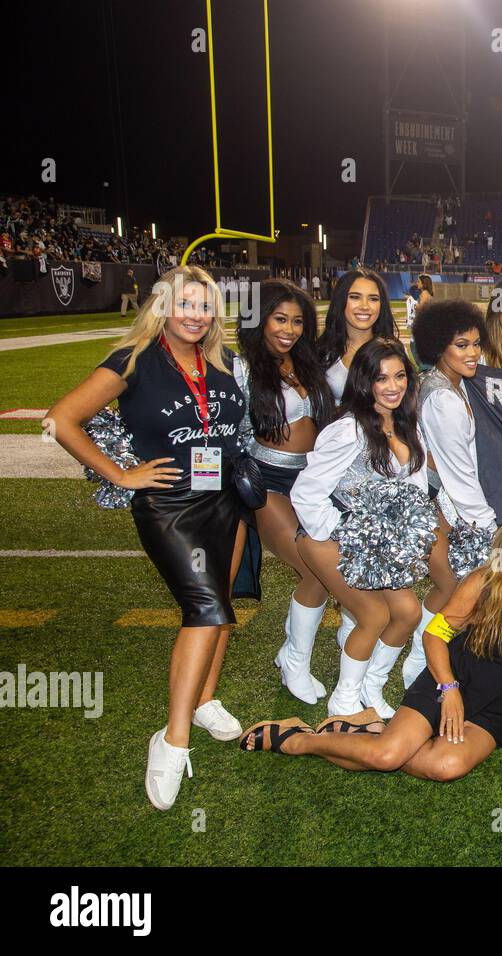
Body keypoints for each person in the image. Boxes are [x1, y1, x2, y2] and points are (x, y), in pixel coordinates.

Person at [46, 266, 249, 810]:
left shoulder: (222, 362)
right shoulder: (132, 361)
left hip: (225, 500)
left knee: (222, 607)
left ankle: (205, 701)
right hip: (170, 506)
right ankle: (172, 737)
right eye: (184, 303)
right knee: (204, 608)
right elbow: (61, 419)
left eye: (204, 306)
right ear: (162, 307)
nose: (195, 314)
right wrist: (119, 473)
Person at [240, 491, 502, 779]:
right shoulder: (485, 580)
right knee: (387, 756)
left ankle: (368, 730)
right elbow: (435, 634)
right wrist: (450, 689)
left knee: (445, 766)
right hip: (458, 678)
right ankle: (300, 739)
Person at [291, 338, 428, 718]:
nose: (393, 386)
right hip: (329, 536)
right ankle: (345, 696)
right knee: (373, 615)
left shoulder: (406, 425)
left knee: (408, 613)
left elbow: (412, 493)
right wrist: (349, 530)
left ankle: (372, 683)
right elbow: (306, 493)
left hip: (376, 544)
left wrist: (399, 536)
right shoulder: (348, 430)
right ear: (363, 382)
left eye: (400, 376)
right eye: (381, 378)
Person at [232, 279, 335, 705]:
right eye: (279, 319)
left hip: (310, 482)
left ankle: (290, 654)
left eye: (297, 321)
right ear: (259, 319)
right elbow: (228, 429)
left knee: (321, 571)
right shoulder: (241, 368)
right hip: (267, 481)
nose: (288, 329)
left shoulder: (308, 364)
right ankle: (295, 659)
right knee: (317, 570)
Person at [405, 299, 496, 688]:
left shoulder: (450, 384)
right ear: (439, 346)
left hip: (445, 502)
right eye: (461, 344)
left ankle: (418, 657)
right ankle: (416, 659)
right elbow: (457, 475)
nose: (473, 353)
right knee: (460, 589)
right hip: (444, 504)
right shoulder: (443, 398)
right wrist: (489, 526)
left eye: (476, 343)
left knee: (452, 588)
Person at [319, 268, 398, 404]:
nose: (365, 306)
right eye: (355, 297)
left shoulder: (394, 351)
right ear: (341, 300)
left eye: (373, 299)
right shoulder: (324, 351)